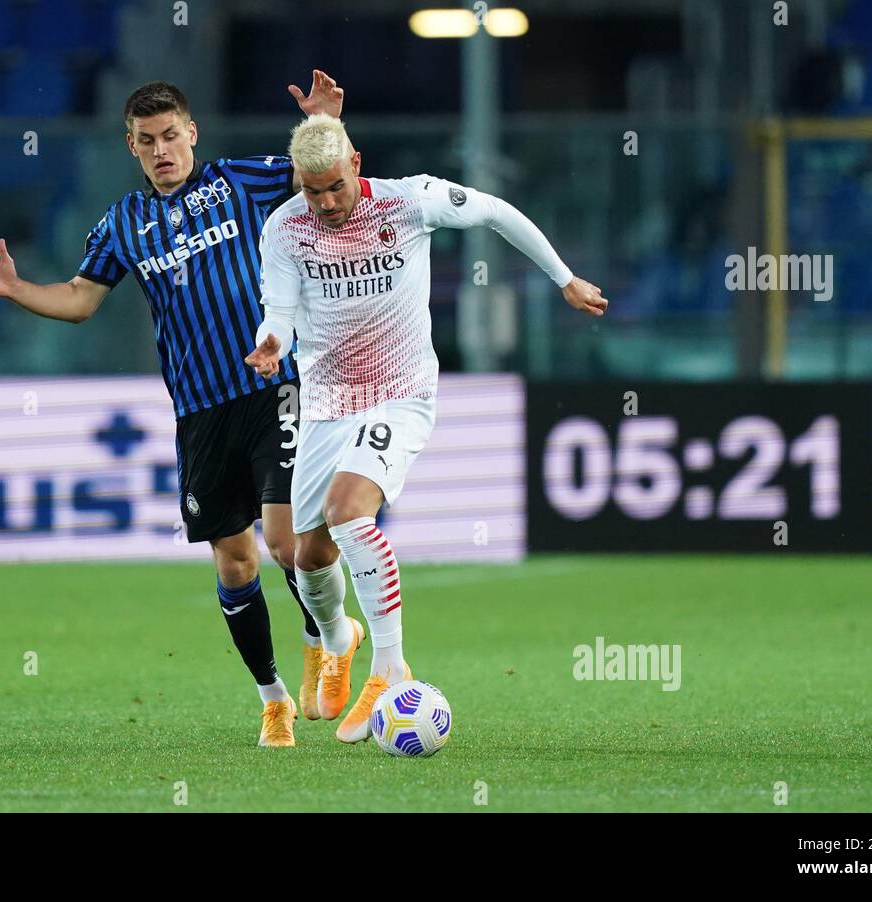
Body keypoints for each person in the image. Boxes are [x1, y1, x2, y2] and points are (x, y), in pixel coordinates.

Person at [0, 73, 346, 748]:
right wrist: (17, 289)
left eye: (171, 136)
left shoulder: (241, 181)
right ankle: (272, 698)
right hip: (199, 412)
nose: (162, 149)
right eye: (147, 141)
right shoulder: (122, 225)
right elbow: (79, 301)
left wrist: (323, 128)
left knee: (285, 541)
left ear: (191, 133)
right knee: (235, 563)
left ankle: (327, 641)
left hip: (273, 385)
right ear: (131, 147)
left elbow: (326, 174)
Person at [245, 114, 608, 742]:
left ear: (355, 162)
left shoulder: (409, 201)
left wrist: (565, 279)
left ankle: (389, 668)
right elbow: (278, 310)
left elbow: (496, 212)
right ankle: (340, 637)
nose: (327, 202)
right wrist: (271, 342)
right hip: (326, 403)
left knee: (349, 513)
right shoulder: (284, 228)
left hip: (400, 391)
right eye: (313, 190)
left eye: (335, 186)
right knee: (305, 557)